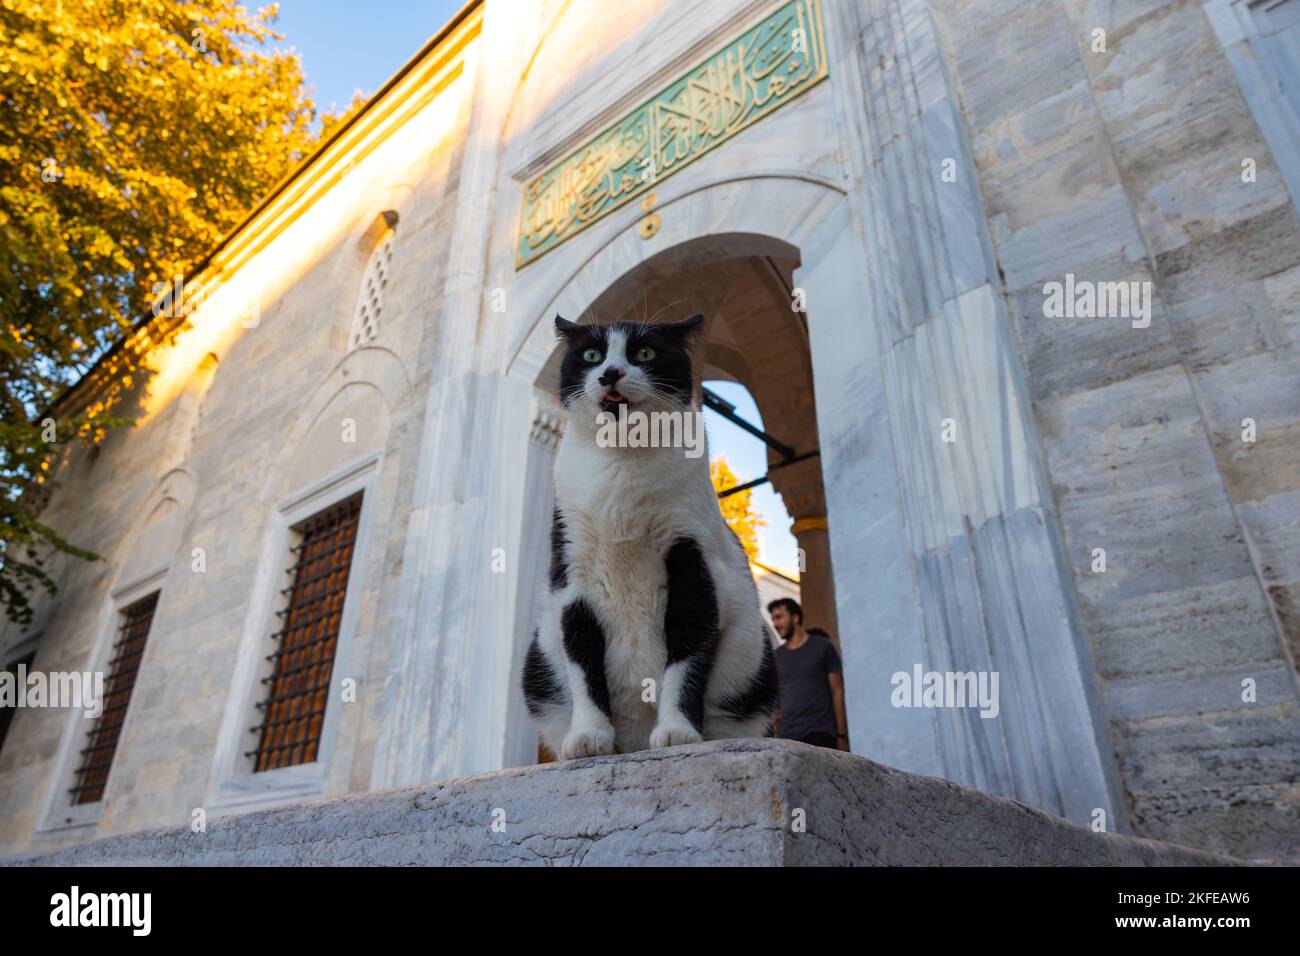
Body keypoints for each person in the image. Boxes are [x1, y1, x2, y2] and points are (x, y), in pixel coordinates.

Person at [766, 599, 849, 751]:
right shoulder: (776, 657)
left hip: (821, 735)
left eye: (779, 617)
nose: (775, 624)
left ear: (795, 618)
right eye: (773, 619)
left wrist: (841, 735)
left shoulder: (823, 647)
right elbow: (777, 700)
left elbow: (837, 691)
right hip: (788, 738)